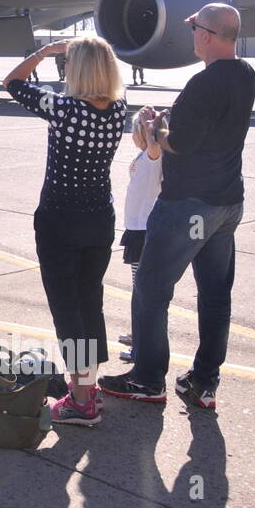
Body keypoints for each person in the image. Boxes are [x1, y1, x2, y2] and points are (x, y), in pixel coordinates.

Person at [100, 3, 255, 410]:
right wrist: (176, 121)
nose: (191, 36)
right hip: (227, 203)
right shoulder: (245, 74)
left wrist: (155, 128)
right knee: (215, 295)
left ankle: (148, 378)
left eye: (193, 29)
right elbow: (209, 128)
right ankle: (204, 383)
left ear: (205, 34)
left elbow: (179, 143)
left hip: (188, 205)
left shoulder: (203, 83)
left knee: (151, 288)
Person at [5, 36, 127, 426]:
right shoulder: (118, 110)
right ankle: (87, 386)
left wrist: (41, 52)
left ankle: (81, 399)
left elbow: (12, 82)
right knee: (89, 299)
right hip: (99, 217)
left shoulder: (64, 108)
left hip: (61, 218)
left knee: (66, 307)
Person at [117, 108, 164, 363]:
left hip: (144, 229)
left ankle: (142, 346)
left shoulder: (153, 155)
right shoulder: (144, 155)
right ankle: (138, 334)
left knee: (142, 291)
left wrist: (149, 129)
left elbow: (154, 150)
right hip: (136, 228)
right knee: (139, 288)